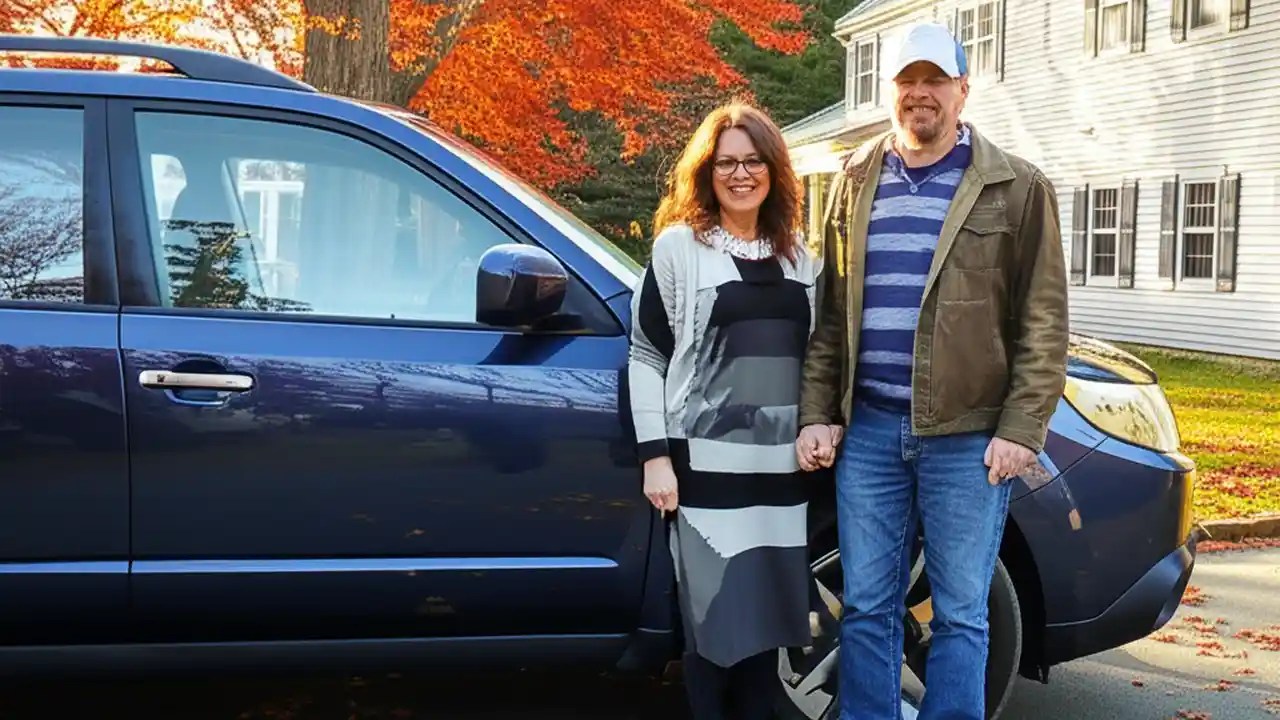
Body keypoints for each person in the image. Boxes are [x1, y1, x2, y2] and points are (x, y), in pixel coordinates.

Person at [794, 22, 1070, 720]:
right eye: (906, 81)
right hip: (872, 436)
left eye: (934, 80)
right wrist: (818, 412)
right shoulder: (854, 181)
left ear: (961, 90)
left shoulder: (1017, 188)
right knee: (867, 608)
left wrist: (1021, 430)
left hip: (968, 442)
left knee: (961, 616)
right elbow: (832, 314)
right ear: (890, 91)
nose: (920, 94)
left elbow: (1043, 322)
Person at [627, 101, 822, 720]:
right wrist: (656, 456)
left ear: (774, 169)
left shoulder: (803, 260)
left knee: (767, 637)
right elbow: (645, 354)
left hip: (782, 477)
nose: (740, 174)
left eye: (753, 160)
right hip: (706, 474)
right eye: (726, 163)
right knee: (713, 637)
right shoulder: (680, 249)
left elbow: (820, 357)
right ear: (706, 173)